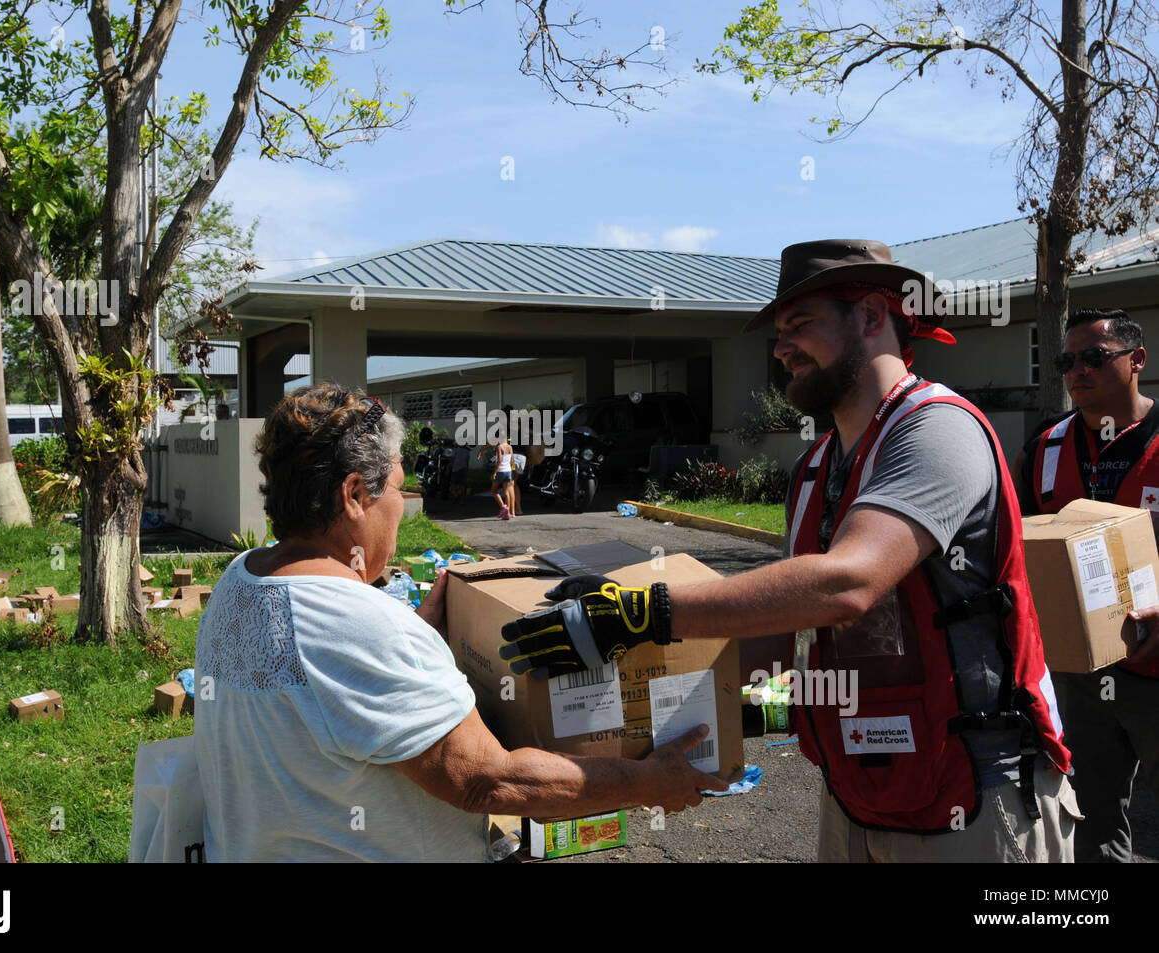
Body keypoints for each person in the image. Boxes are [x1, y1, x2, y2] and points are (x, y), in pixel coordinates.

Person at [502, 240, 1079, 862]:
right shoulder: (814, 469)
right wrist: (626, 723)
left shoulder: (937, 429)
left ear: (871, 315)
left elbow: (846, 583)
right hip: (856, 789)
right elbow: (770, 648)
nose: (780, 349)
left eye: (800, 325)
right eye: (778, 332)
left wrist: (641, 612)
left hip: (975, 795)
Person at [193, 383, 718, 862]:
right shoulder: (360, 623)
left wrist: (417, 637)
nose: (403, 505)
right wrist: (647, 782)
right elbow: (487, 782)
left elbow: (318, 701)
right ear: (354, 496)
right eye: (398, 487)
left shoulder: (239, 580)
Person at [1012, 307, 1159, 863]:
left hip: (1156, 671)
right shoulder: (1044, 448)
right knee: (1091, 820)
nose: (1077, 370)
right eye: (1066, 360)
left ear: (1136, 360)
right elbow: (1014, 549)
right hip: (1078, 676)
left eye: (1094, 357)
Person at [491, 434, 515, 519]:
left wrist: (494, 472)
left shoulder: (499, 447)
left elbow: (499, 460)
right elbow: (512, 460)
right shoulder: (510, 447)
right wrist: (512, 471)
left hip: (501, 471)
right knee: (506, 492)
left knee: (493, 490)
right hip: (508, 471)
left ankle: (503, 507)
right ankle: (507, 514)